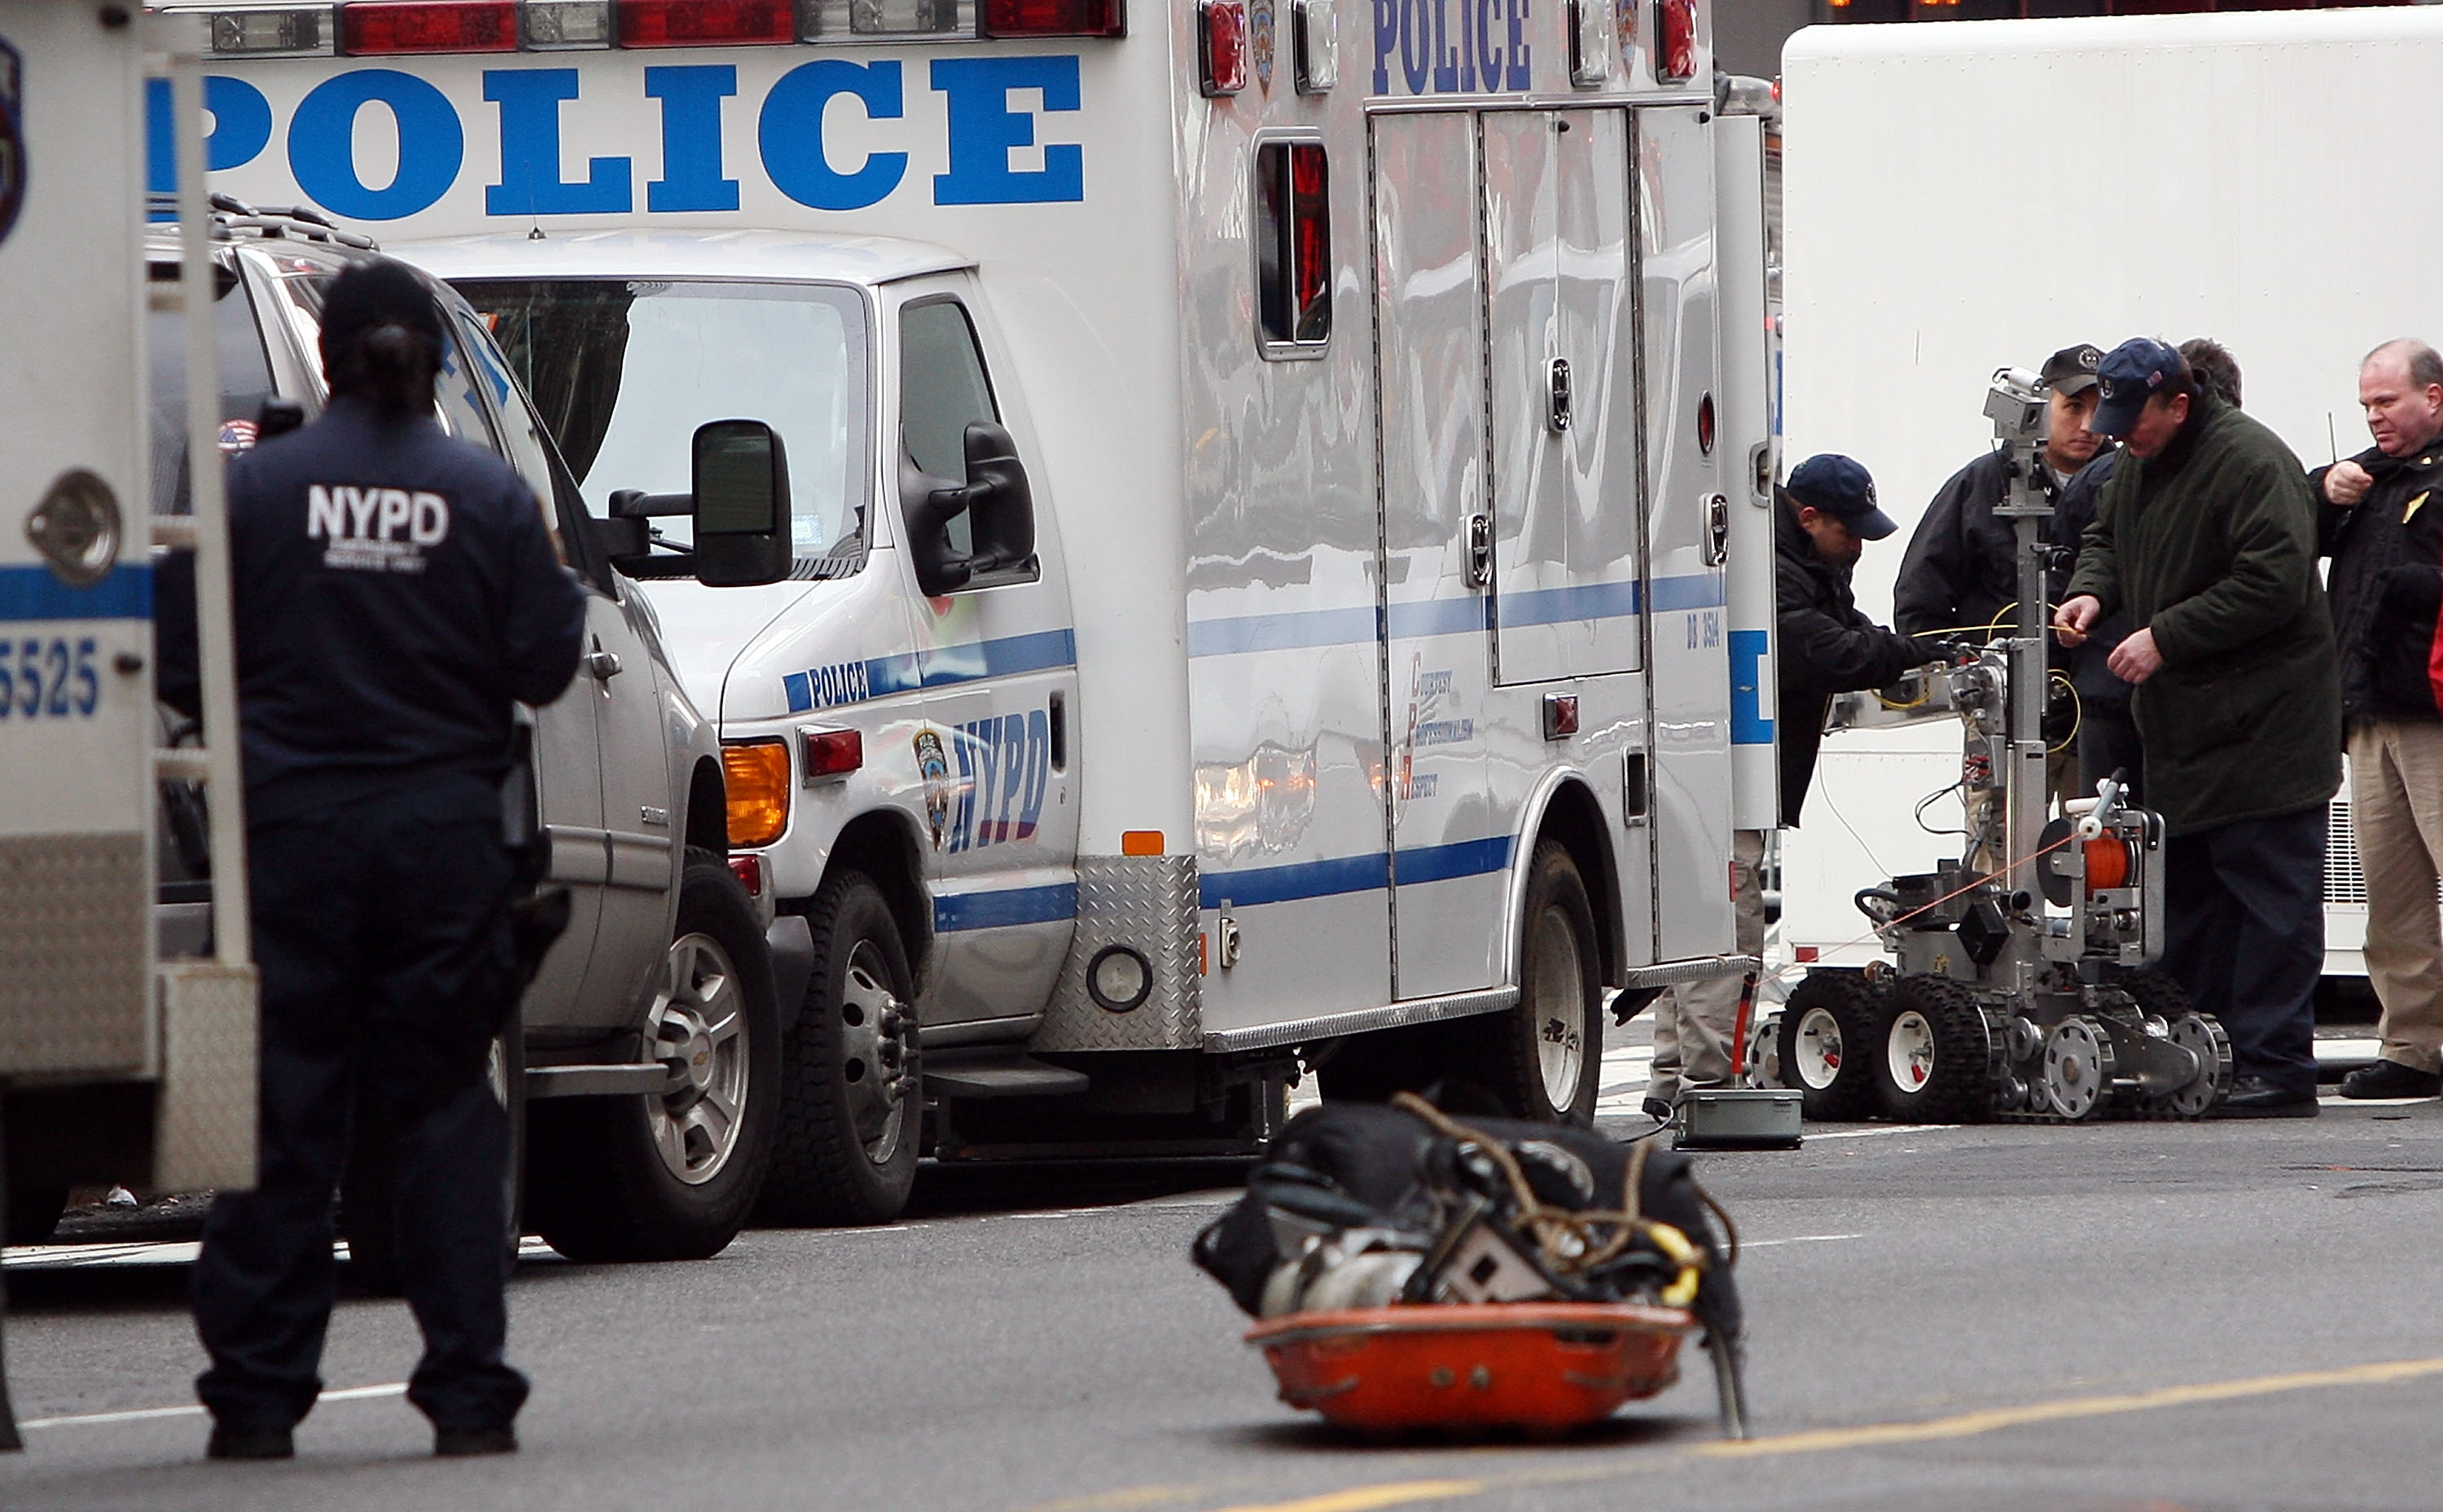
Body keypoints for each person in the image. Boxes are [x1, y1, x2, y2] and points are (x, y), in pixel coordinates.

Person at [157, 259, 586, 1458]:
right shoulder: (487, 497)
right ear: (434, 361)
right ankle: (467, 1394)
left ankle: (253, 1400)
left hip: (292, 838)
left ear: (330, 352)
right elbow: (548, 665)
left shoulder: (256, 492)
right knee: (446, 1107)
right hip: (444, 843)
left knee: (287, 1105)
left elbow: (180, 659)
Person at [2056, 338, 2340, 1119]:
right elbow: (2105, 538)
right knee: (2196, 905)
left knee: (2272, 904)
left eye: (2132, 419)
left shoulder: (2251, 461)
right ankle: (2210, 1056)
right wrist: (2090, 592)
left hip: (2268, 726)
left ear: (2179, 403)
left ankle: (2278, 1068)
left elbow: (2276, 581)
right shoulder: (2140, 460)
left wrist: (2166, 635)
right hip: (2187, 728)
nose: (2118, 435)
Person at [1645, 454, 1927, 1116]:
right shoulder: (1769, 570)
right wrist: (1910, 652)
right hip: (1722, 774)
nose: (1857, 545)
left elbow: (1848, 630)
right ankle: (1709, 1083)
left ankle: (1670, 1076)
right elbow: (1824, 648)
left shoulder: (1806, 564)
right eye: (1850, 531)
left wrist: (1896, 648)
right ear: (1808, 517)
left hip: (1725, 772)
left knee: (1697, 921)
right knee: (1726, 920)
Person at [2309, 340, 2443, 1102]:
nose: (2374, 417)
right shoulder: (2370, 477)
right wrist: (2325, 488)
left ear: (2433, 396)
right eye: (2365, 405)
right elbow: (2289, 521)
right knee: (2392, 894)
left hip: (2432, 709)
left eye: (2386, 402)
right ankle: (2412, 1046)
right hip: (2369, 709)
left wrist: (2414, 587)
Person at [2054, 338, 2243, 805]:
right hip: (2133, 693)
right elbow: (2097, 543)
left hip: (2157, 692)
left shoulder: (2248, 467)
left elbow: (2266, 582)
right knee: (2120, 844)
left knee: (2122, 849)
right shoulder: (2121, 473)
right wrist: (2090, 592)